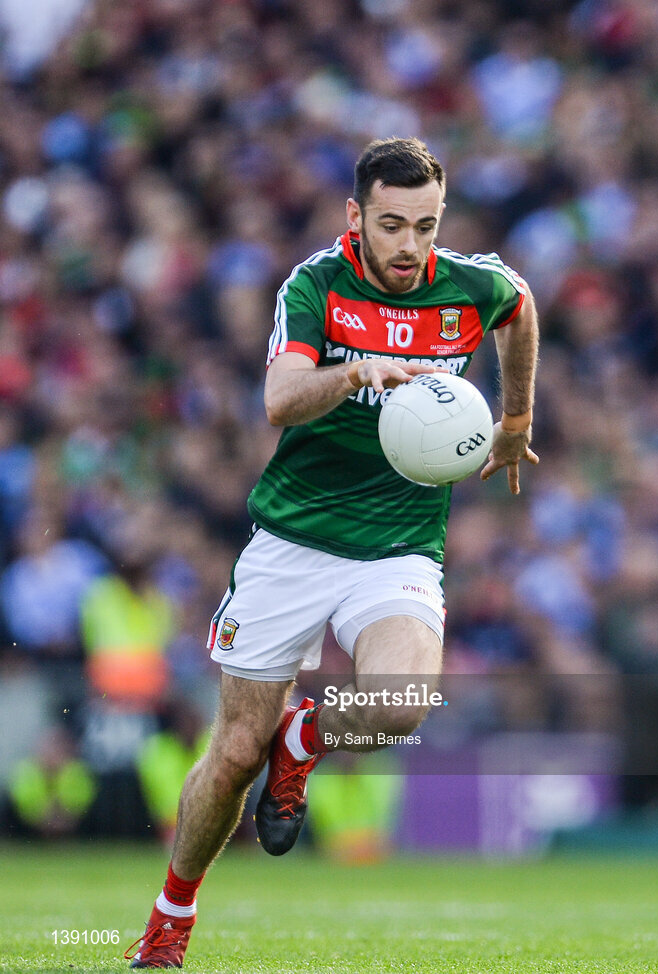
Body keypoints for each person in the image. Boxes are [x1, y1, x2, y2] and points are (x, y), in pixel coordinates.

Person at [125, 137, 539, 968]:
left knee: (400, 706)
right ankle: (170, 921)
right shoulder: (315, 284)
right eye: (391, 225)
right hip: (292, 544)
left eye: (425, 226)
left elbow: (520, 308)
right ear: (356, 217)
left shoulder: (468, 285)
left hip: (398, 547)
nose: (409, 246)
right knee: (234, 754)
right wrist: (358, 374)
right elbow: (279, 401)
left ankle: (304, 740)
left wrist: (517, 420)